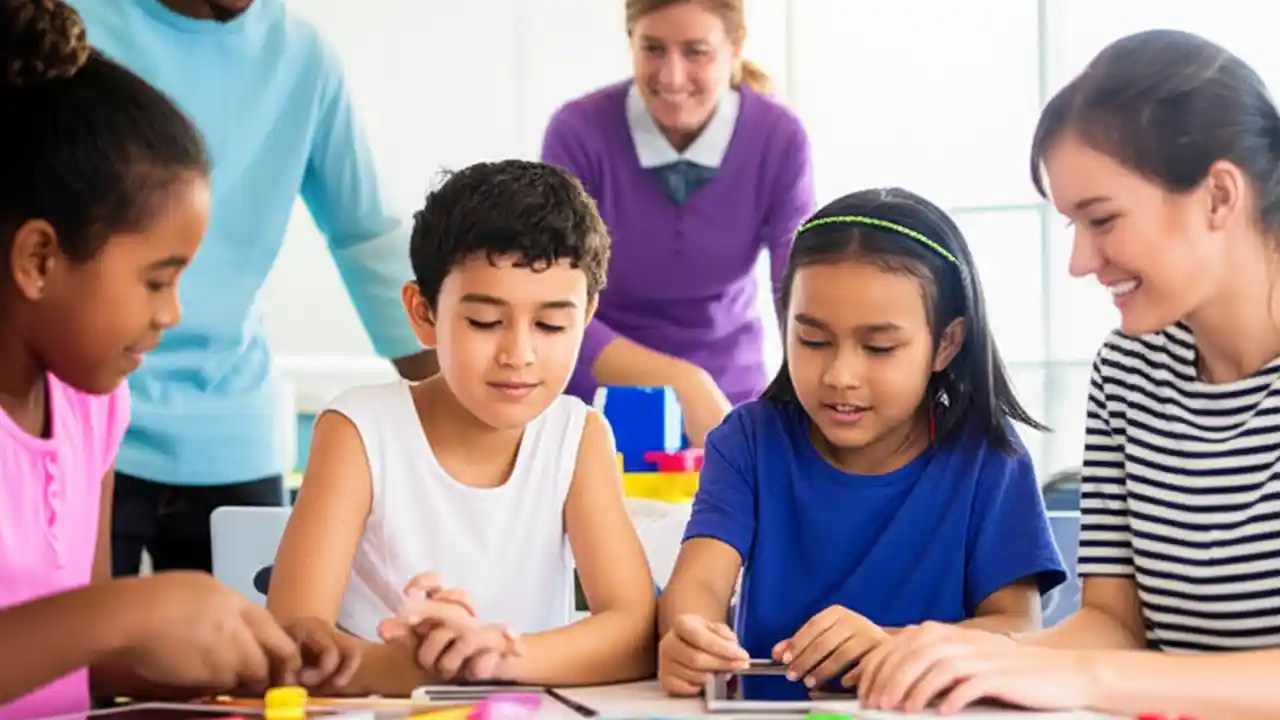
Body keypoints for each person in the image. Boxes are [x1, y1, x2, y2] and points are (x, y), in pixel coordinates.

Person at [850, 30, 1280, 719]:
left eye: (1102, 219)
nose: (1081, 261)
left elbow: (1102, 669)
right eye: (1072, 225)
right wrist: (971, 653)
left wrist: (1088, 681)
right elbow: (1114, 625)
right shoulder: (1129, 370)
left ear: (1220, 197)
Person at [0, 1, 321, 716]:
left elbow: (81, 663)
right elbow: (92, 627)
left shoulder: (93, 407)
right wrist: (127, 611)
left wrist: (267, 658)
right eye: (157, 279)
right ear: (39, 259)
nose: (173, 314)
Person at [63, 0, 437, 576]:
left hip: (232, 429)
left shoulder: (303, 58)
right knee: (77, 653)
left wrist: (457, 405)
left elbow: (365, 235)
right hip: (81, 414)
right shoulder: (71, 30)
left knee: (250, 658)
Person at [653, 187, 1067, 700]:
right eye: (813, 340)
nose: (840, 375)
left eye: (879, 347)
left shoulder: (987, 457)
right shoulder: (749, 442)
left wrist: (893, 645)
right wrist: (688, 635)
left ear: (946, 344)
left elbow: (1020, 628)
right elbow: (700, 584)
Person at [266, 160, 658, 694]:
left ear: (586, 316)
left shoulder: (577, 435)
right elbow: (295, 642)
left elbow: (635, 633)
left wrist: (494, 654)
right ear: (423, 312)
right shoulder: (358, 430)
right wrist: (420, 661)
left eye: (550, 324)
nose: (518, 354)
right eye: (484, 322)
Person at [541, 0, 814, 447]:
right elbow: (551, 301)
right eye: (653, 49)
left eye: (695, 51)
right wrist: (680, 381)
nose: (671, 76)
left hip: (732, 407)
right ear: (630, 41)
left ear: (736, 44)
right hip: (596, 410)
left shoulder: (779, 139)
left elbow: (801, 291)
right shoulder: (579, 134)